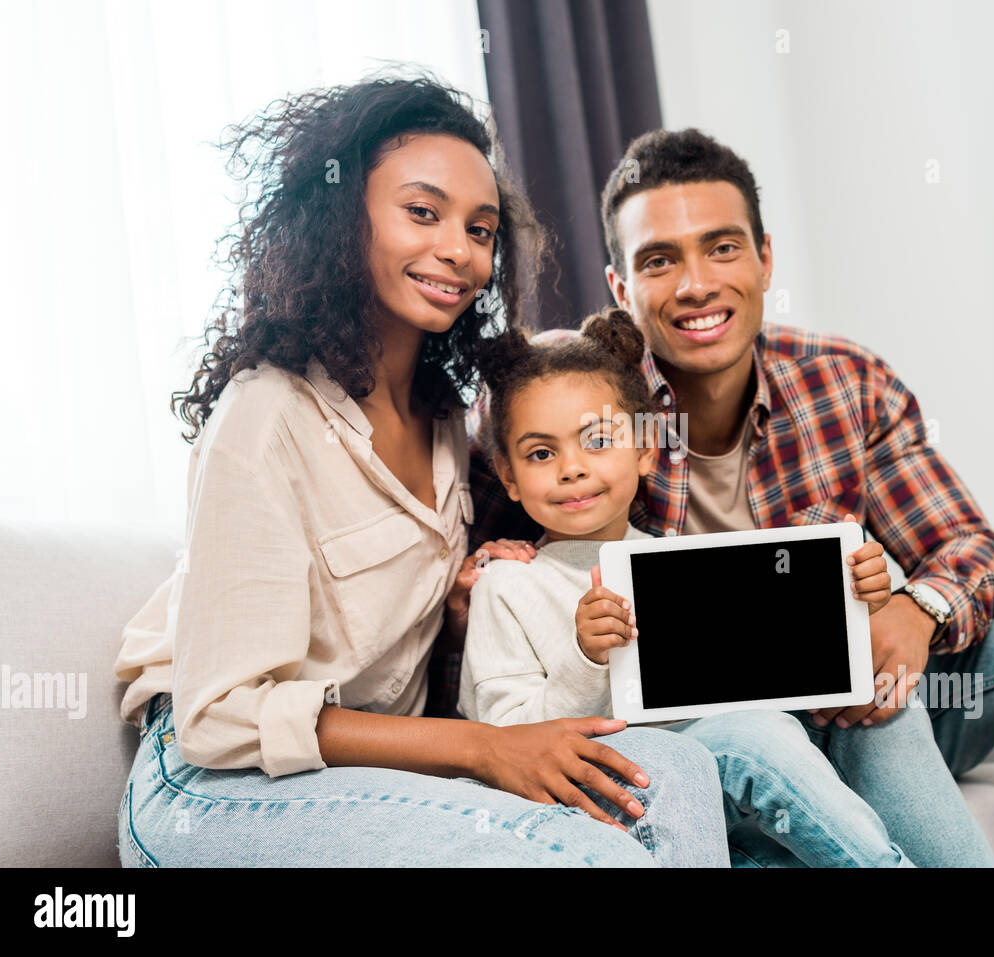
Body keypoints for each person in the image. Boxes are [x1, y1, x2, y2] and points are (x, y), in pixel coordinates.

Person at [461, 128, 994, 867]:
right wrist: (478, 573)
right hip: (726, 722)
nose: (696, 284)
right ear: (621, 288)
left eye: (723, 247)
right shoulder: (580, 403)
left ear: (766, 259)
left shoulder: (842, 378)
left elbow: (968, 550)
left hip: (856, 689)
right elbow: (514, 592)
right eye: (660, 260)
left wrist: (910, 611)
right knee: (790, 724)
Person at [112, 74, 729, 868]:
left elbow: (576, 426)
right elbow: (220, 716)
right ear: (341, 218)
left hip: (363, 763)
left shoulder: (446, 419)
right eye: (421, 212)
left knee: (671, 769)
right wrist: (478, 748)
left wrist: (471, 596)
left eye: (480, 229)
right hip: (215, 783)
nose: (458, 250)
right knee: (585, 853)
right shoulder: (265, 415)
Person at [457, 308, 914, 867]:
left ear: (647, 450)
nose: (571, 468)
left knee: (789, 746)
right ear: (508, 476)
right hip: (621, 780)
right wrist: (585, 657)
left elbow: (776, 667)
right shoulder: (506, 584)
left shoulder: (675, 562)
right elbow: (505, 738)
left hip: (717, 788)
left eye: (597, 441)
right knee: (755, 736)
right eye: (541, 453)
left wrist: (865, 589)